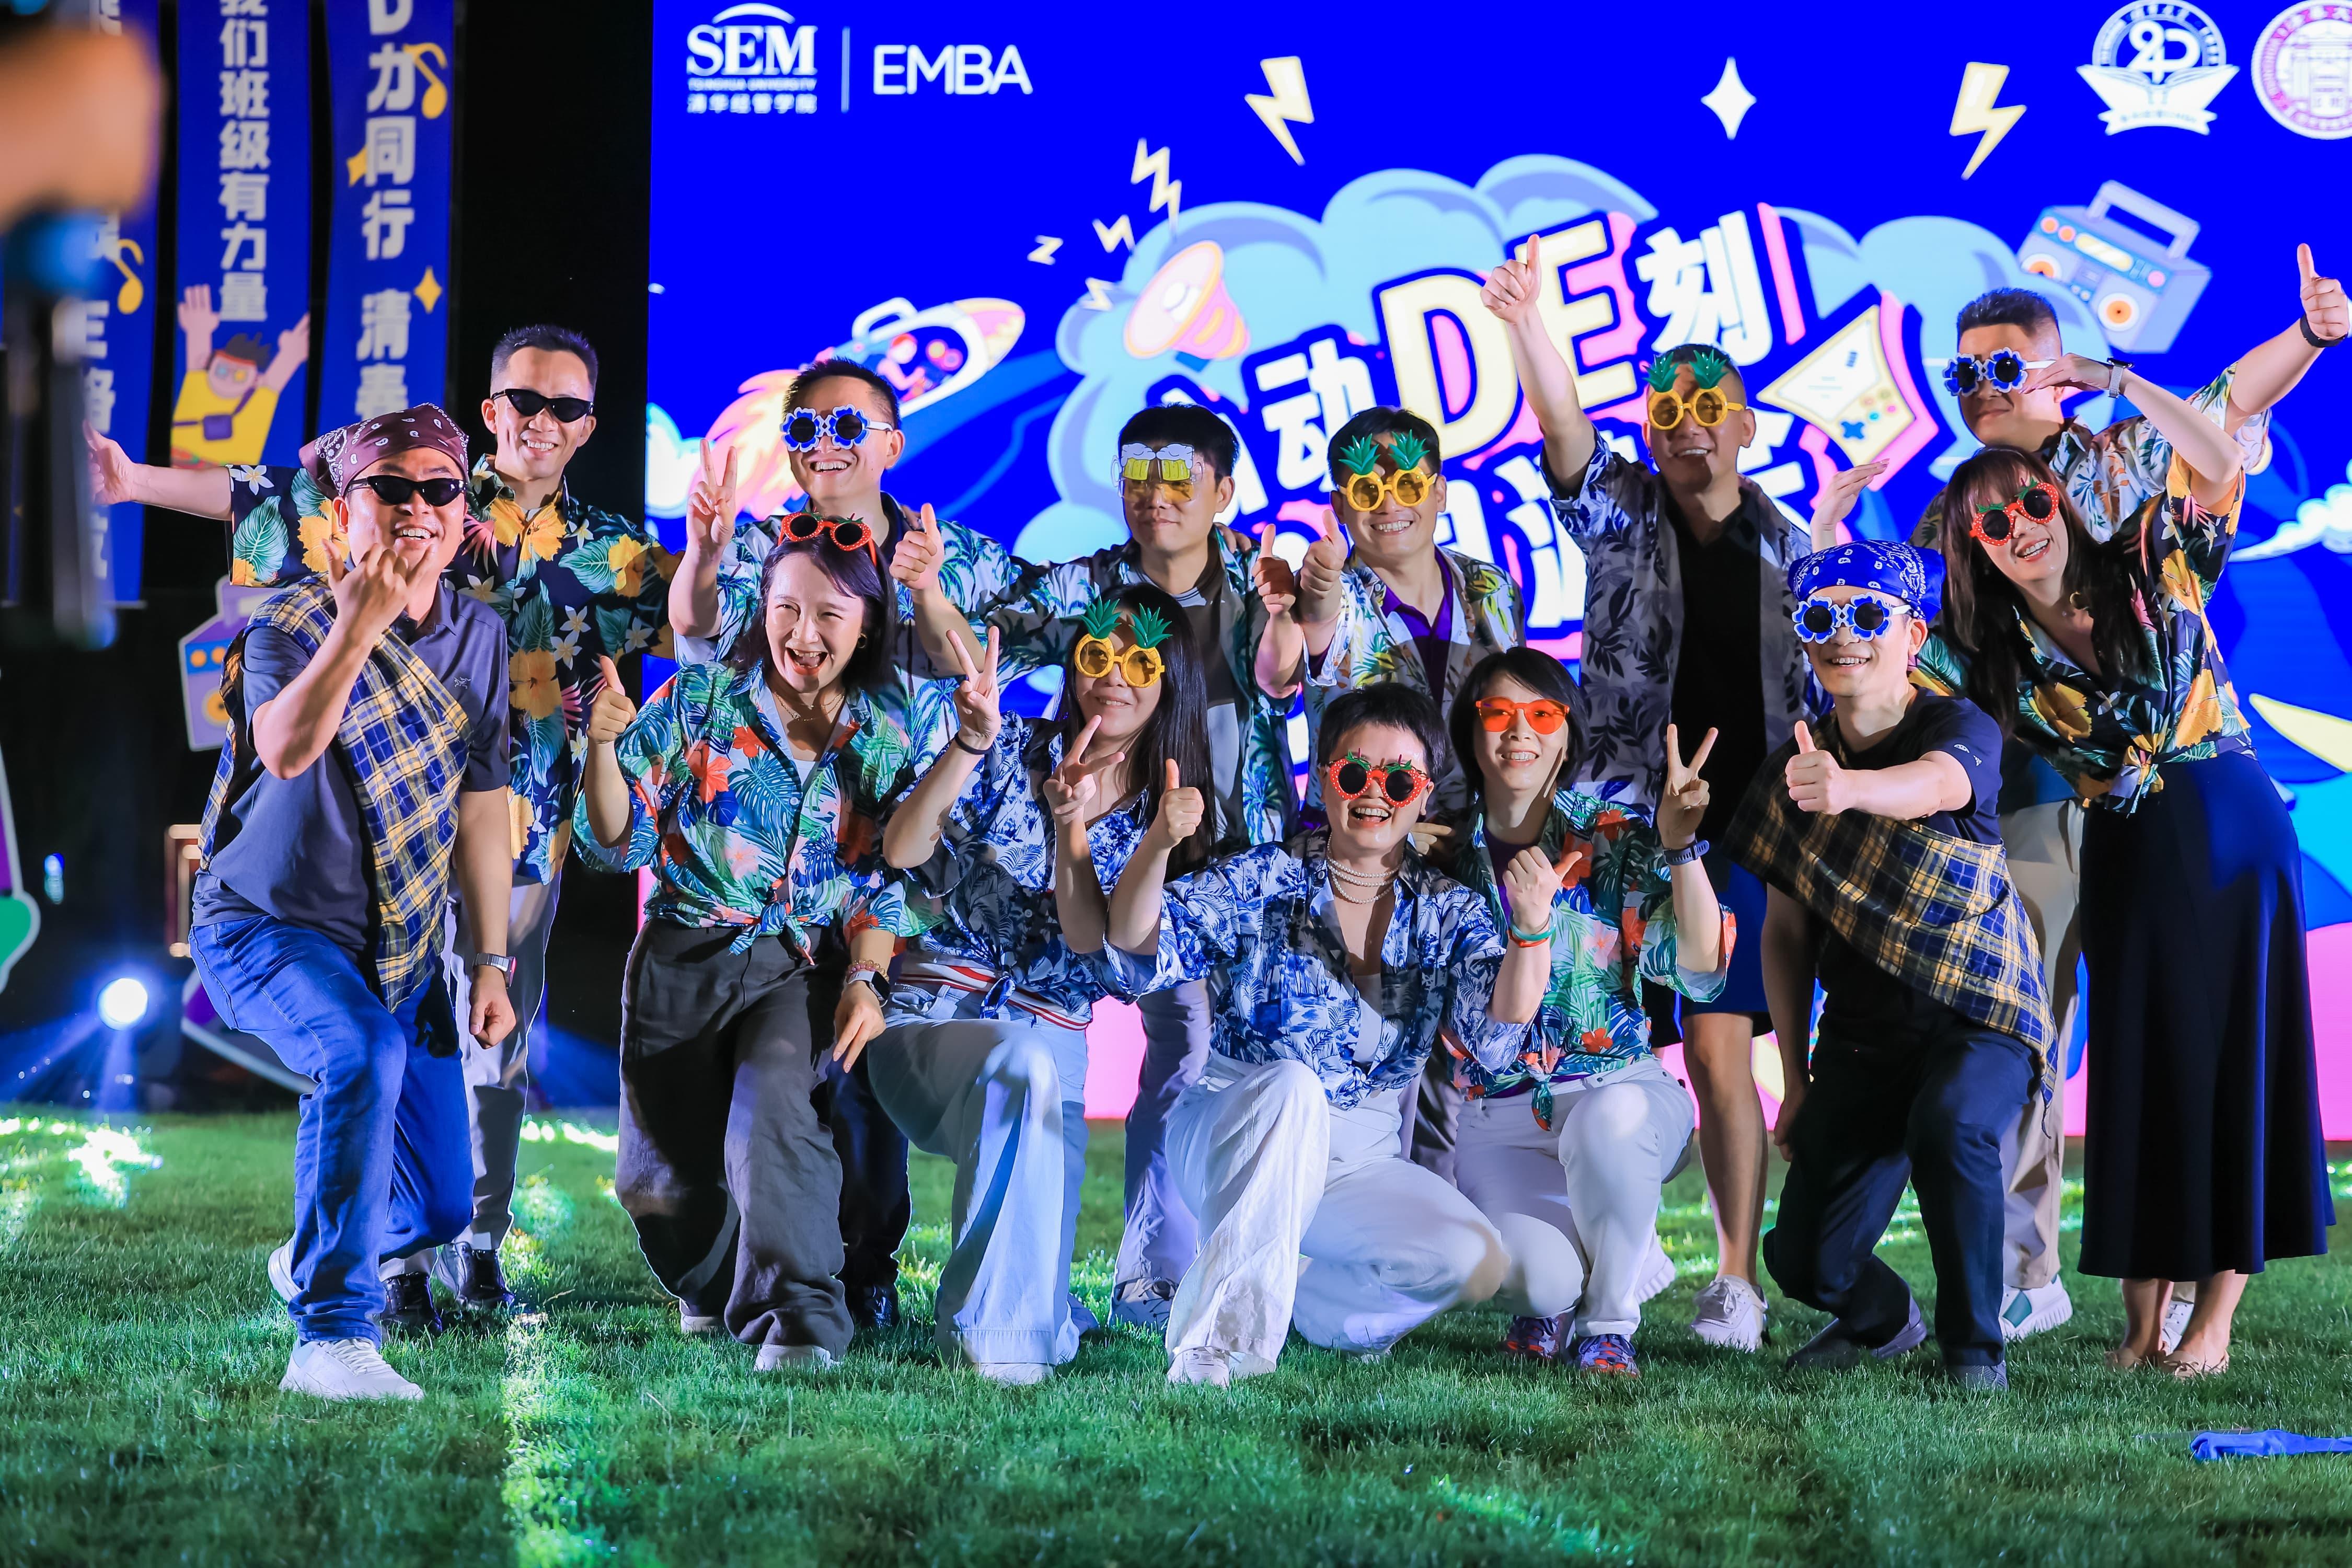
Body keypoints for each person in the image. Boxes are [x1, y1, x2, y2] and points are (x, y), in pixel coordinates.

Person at [88, 324, 672, 1324]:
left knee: (492, 1036)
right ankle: (385, 1271)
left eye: (567, 406)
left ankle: (473, 1242)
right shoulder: (415, 481)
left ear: (587, 425)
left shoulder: (617, 555)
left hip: (515, 821)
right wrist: (133, 479)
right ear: (492, 411)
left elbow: (706, 619)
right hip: (364, 825)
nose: (542, 419)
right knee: (366, 1036)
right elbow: (261, 495)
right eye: (524, 400)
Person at [1900, 262, 2348, 1345]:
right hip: (2105, 830)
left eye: (2007, 367)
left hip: (2218, 809)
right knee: (2137, 1067)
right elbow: (1889, 637)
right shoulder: (1975, 574)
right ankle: (2133, 1316)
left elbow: (2222, 428)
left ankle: (2213, 1316)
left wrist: (2298, 337)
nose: (2019, 525)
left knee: (2230, 1056)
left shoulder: (2142, 534)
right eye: (1966, 374)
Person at [900, 402, 1302, 1329]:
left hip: (1232, 862)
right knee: (1129, 1037)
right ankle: (1125, 1273)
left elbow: (1293, 671)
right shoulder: (1092, 588)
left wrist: (1299, 606)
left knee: (1216, 1060)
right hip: (1110, 839)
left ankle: (1193, 1265)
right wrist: (925, 593)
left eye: (1180, 474)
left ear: (1223, 491)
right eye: (1137, 473)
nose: (1157, 493)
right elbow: (981, 649)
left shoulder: (1261, 579)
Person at [1485, 235, 1809, 1353]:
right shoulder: (1620, 509)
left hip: (1740, 838)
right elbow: (1564, 430)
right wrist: (1528, 324)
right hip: (1617, 824)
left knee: (1719, 1050)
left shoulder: (1793, 552)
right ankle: (1589, 1263)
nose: (1684, 424)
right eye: (1665, 410)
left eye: (1706, 406)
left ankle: (1735, 1280)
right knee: (1585, 1046)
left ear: (1746, 424)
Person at [667, 357, 1024, 1326]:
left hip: (900, 858)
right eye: (805, 430)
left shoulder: (954, 552)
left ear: (892, 445)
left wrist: (931, 595)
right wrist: (702, 556)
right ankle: (740, 1260)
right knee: (753, 1069)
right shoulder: (760, 547)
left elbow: (988, 671)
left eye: (848, 428)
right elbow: (696, 629)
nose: (824, 446)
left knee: (863, 1062)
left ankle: (866, 1266)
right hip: (774, 857)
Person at [186, 406, 516, 1402]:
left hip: (401, 949)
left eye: (440, 489)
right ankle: (330, 1337)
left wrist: (490, 961)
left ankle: (312, 1252)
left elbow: (483, 806)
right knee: (358, 1051)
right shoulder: (286, 623)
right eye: (390, 488)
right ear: (343, 511)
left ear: (463, 512)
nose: (417, 507)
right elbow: (287, 748)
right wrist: (359, 624)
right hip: (266, 927)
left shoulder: (480, 635)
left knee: (444, 1208)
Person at [1102, 684, 1552, 1386]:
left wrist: (1531, 928)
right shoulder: (1266, 876)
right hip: (1236, 1124)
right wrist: (1158, 844)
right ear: (1324, 779)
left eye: (1399, 781)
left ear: (1424, 796)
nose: (1375, 793)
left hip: (1360, 1155)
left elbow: (1496, 1038)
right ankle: (1214, 1346)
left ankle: (1317, 1311)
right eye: (1354, 774)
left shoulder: (1449, 910)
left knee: (1475, 1262)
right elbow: (1137, 944)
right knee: (1294, 1086)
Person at [574, 522, 919, 1373]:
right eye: (786, 609)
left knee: (776, 1118)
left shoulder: (881, 734)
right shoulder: (701, 699)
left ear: (867, 624)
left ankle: (798, 1317)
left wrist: (867, 977)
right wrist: (604, 750)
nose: (805, 634)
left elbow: (882, 881)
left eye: (830, 614)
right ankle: (715, 1281)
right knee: (659, 1183)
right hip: (681, 955)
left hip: (797, 967)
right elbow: (617, 842)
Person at [1731, 539, 2053, 1393]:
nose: (1846, 636)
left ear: (1913, 636)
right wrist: (1796, 1079)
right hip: (1864, 1036)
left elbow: (1938, 786)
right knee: (1804, 1261)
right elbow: (1786, 936)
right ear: (1804, 637)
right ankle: (1883, 1321)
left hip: (1977, 1012)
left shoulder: (1957, 726)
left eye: (1869, 615)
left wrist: (1847, 790)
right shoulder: (1790, 771)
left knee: (1952, 1122)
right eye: (1822, 619)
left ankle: (1974, 1353)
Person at [868, 585, 1210, 1382]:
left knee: (1046, 1308)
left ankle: (1033, 1322)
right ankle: (991, 1349)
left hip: (1055, 1046)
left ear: (1171, 682)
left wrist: (1071, 826)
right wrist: (969, 743)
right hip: (935, 1015)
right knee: (1021, 1067)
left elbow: (1096, 945)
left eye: (1140, 663)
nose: (1114, 675)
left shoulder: (1171, 817)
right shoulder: (1007, 744)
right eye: (1097, 655)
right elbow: (901, 851)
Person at [1434, 649, 1733, 1377]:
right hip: (1501, 1116)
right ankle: (1593, 1263)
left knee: (1610, 1121)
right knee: (1533, 1278)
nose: (1520, 732)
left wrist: (1681, 846)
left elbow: (1697, 966)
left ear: (1566, 738)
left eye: (1543, 715)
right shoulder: (1442, 858)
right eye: (1498, 713)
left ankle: (1608, 1324)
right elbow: (1485, 1035)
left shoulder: (1611, 836)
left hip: (1619, 1090)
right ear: (1470, 731)